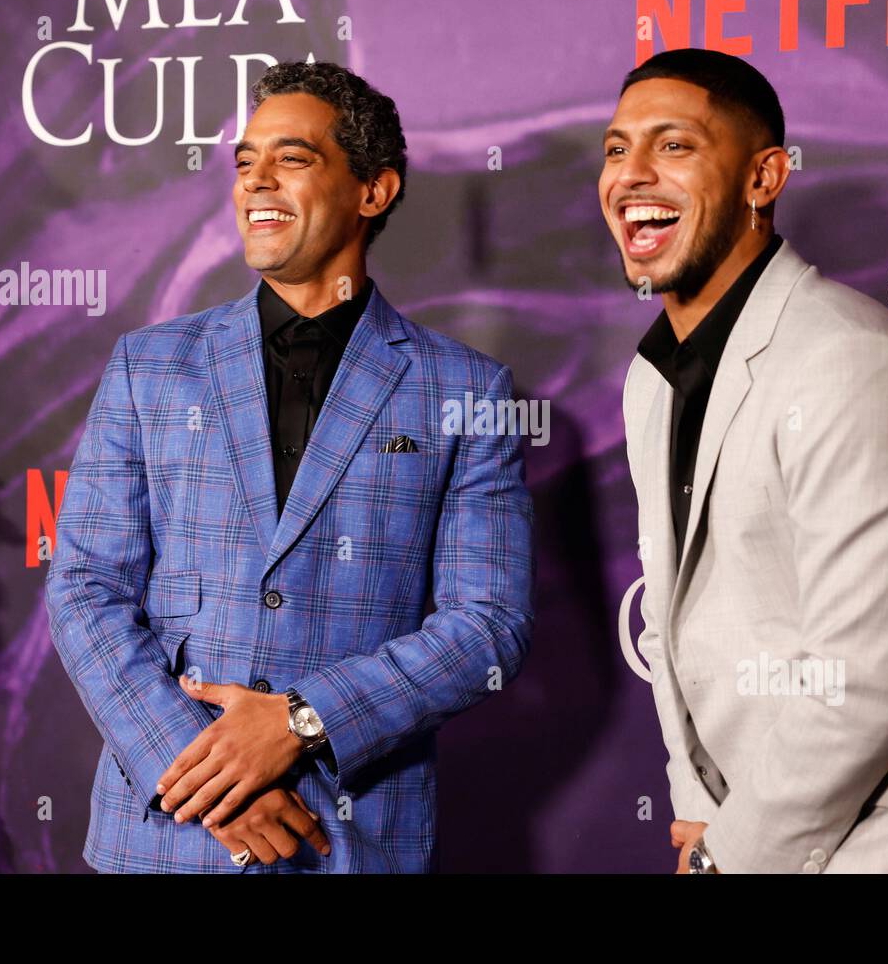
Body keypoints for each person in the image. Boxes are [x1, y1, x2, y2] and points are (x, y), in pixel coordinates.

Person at [46, 60, 534, 873]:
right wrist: (205, 771)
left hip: (352, 838)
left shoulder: (466, 388)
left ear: (373, 191)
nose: (255, 182)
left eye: (293, 159)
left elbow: (488, 624)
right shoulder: (150, 365)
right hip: (166, 835)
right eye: (245, 162)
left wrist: (302, 721)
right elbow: (84, 585)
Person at [602, 49, 888, 873]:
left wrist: (729, 855)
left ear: (763, 177)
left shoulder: (854, 360)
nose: (631, 174)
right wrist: (701, 810)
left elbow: (864, 689)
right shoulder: (650, 379)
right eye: (617, 148)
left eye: (673, 146)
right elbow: (668, 626)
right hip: (743, 834)